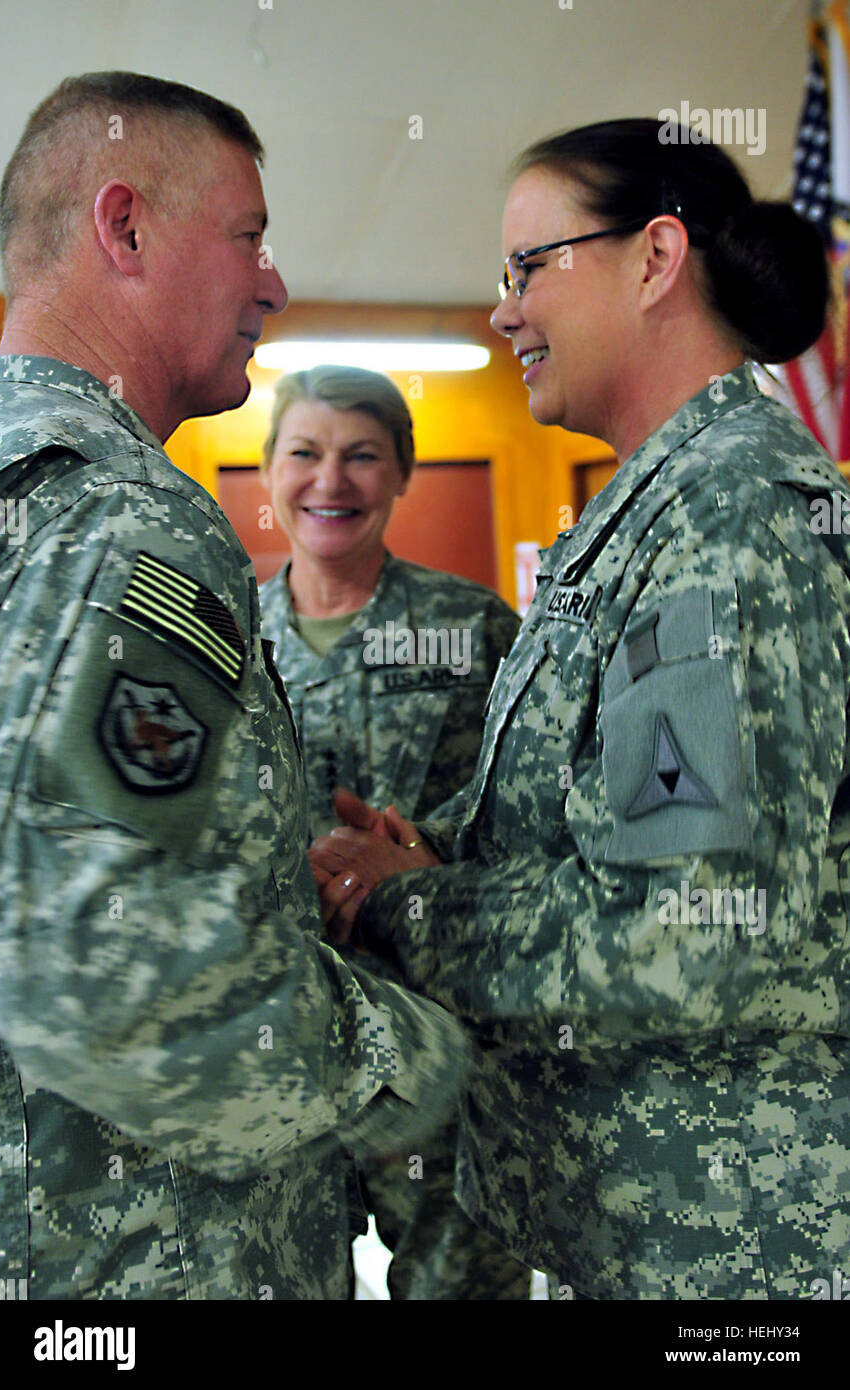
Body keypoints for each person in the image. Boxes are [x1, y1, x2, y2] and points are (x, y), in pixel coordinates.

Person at [310, 117, 850, 1300]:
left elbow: (690, 931)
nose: (502, 311)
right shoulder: (649, 513)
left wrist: (412, 908)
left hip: (729, 1246)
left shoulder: (728, 520)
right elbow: (583, 805)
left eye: (525, 267)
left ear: (654, 258)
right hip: (627, 1227)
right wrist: (438, 847)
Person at [0, 71, 472, 1301]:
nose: (272, 280)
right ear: (126, 228)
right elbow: (92, 951)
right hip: (137, 1255)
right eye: (249, 234)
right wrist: (403, 1059)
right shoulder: (125, 513)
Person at [258, 364, 527, 1298]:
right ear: (269, 472)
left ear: (403, 474)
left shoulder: (475, 626)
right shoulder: (224, 638)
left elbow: (529, 814)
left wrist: (414, 861)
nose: (331, 482)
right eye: (306, 453)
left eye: (363, 456)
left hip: (447, 1039)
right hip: (283, 1046)